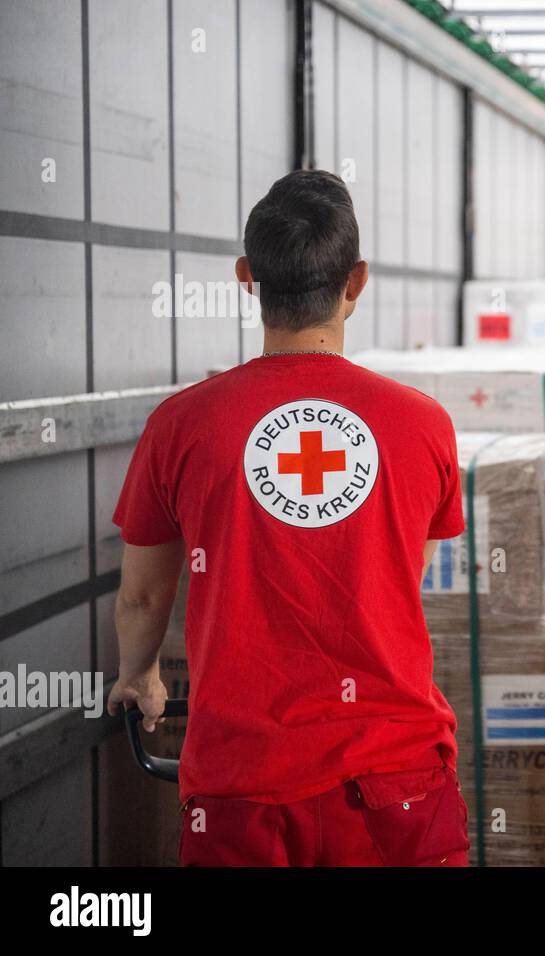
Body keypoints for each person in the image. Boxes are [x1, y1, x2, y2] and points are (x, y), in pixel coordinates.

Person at [106, 169, 468, 867]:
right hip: (395, 786)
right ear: (355, 281)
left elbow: (144, 594)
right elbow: (405, 571)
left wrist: (139, 674)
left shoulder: (182, 424)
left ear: (248, 277)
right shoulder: (423, 425)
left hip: (243, 789)